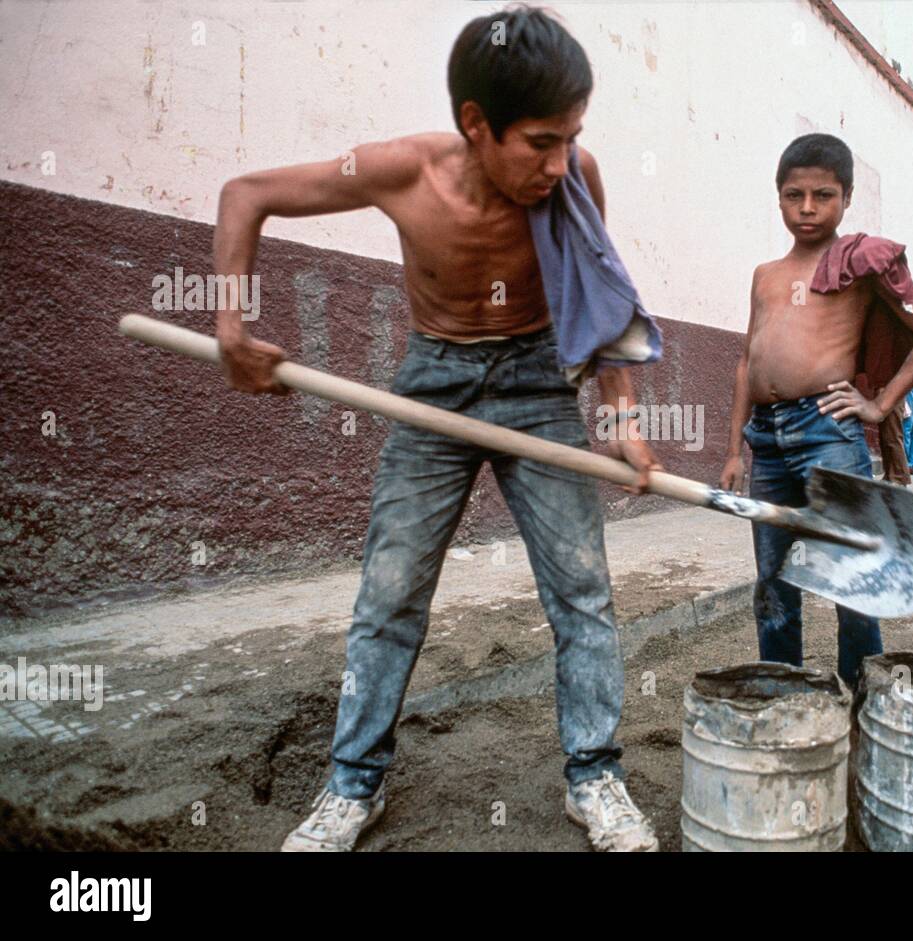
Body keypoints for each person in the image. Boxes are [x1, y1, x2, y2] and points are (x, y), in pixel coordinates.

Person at [213, 8, 663, 852]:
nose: (559, 163)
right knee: (389, 593)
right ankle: (352, 785)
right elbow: (247, 195)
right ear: (474, 124)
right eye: (539, 141)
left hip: (537, 384)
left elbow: (605, 293)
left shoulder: (576, 174)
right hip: (435, 387)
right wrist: (232, 326)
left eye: (571, 137)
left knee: (583, 592)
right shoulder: (400, 170)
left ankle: (595, 776)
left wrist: (625, 414)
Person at [720, 133, 913, 688]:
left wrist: (879, 405)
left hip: (828, 433)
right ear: (778, 198)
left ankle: (860, 705)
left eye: (823, 195)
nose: (807, 208)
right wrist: (733, 450)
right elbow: (748, 360)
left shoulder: (861, 262)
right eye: (794, 195)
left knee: (854, 580)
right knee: (772, 581)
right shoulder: (765, 275)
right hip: (766, 443)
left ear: (846, 198)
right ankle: (782, 694)